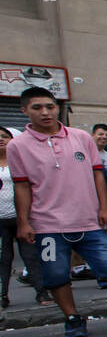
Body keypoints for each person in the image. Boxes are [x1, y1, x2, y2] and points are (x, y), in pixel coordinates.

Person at [7, 88, 107, 337]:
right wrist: (24, 222)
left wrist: (103, 206)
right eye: (37, 108)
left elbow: (97, 174)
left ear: (57, 107)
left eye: (50, 106)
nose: (45, 112)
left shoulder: (81, 137)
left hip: (88, 220)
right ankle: (72, 318)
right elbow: (22, 186)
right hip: (47, 225)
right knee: (56, 274)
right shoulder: (17, 146)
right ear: (24, 110)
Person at [0, 126, 47, 308]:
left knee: (31, 256)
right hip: (1, 220)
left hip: (22, 219)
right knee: (3, 259)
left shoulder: (21, 162)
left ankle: (42, 292)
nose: (2, 139)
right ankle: (2, 295)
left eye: (5, 136)